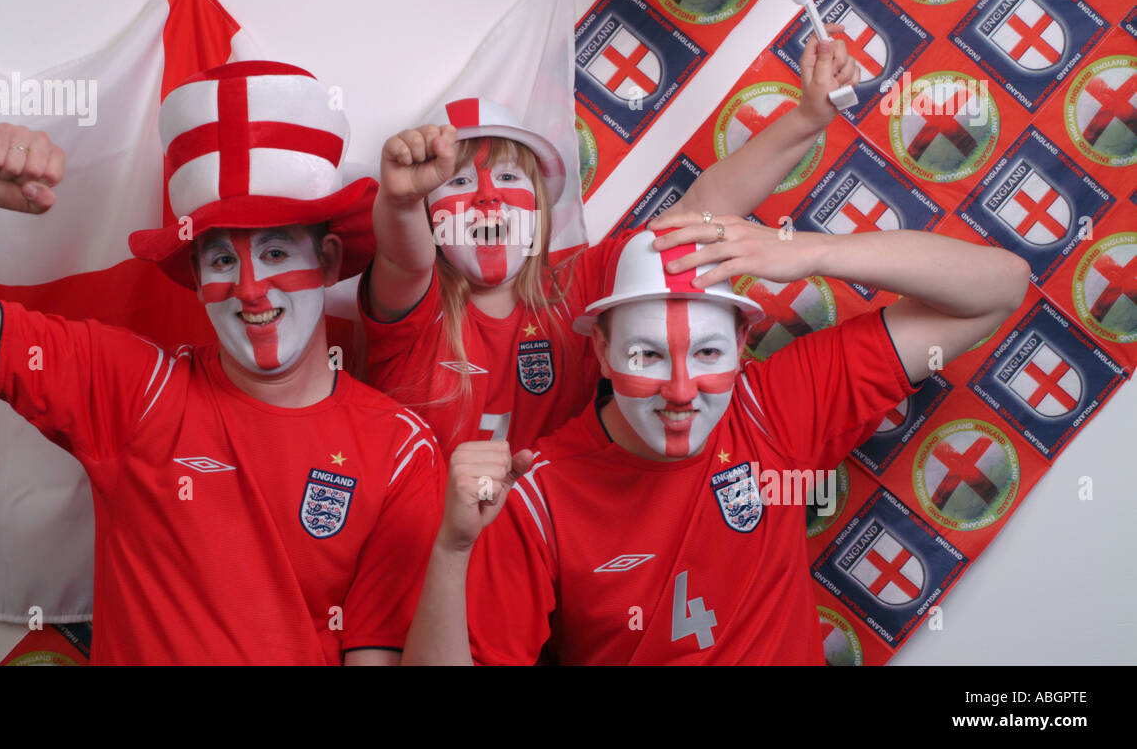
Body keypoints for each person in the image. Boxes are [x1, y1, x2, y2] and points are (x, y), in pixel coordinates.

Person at [0, 61, 444, 665]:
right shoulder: (133, 390)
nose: (252, 289)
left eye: (277, 251)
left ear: (330, 260)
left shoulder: (399, 453)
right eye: (222, 260)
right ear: (197, 277)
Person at [402, 221, 1031, 664]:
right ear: (600, 350)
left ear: (742, 347)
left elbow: (1001, 285)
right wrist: (454, 549)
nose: (680, 390)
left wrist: (810, 252)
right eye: (646, 354)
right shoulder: (539, 500)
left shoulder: (771, 410)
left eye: (707, 352)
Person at [362, 29, 863, 454]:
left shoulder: (574, 285)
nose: (489, 200)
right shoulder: (417, 306)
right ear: (427, 215)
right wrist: (401, 202)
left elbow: (696, 216)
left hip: (547, 538)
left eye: (508, 177)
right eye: (460, 183)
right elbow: (405, 260)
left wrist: (808, 119)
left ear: (539, 205)